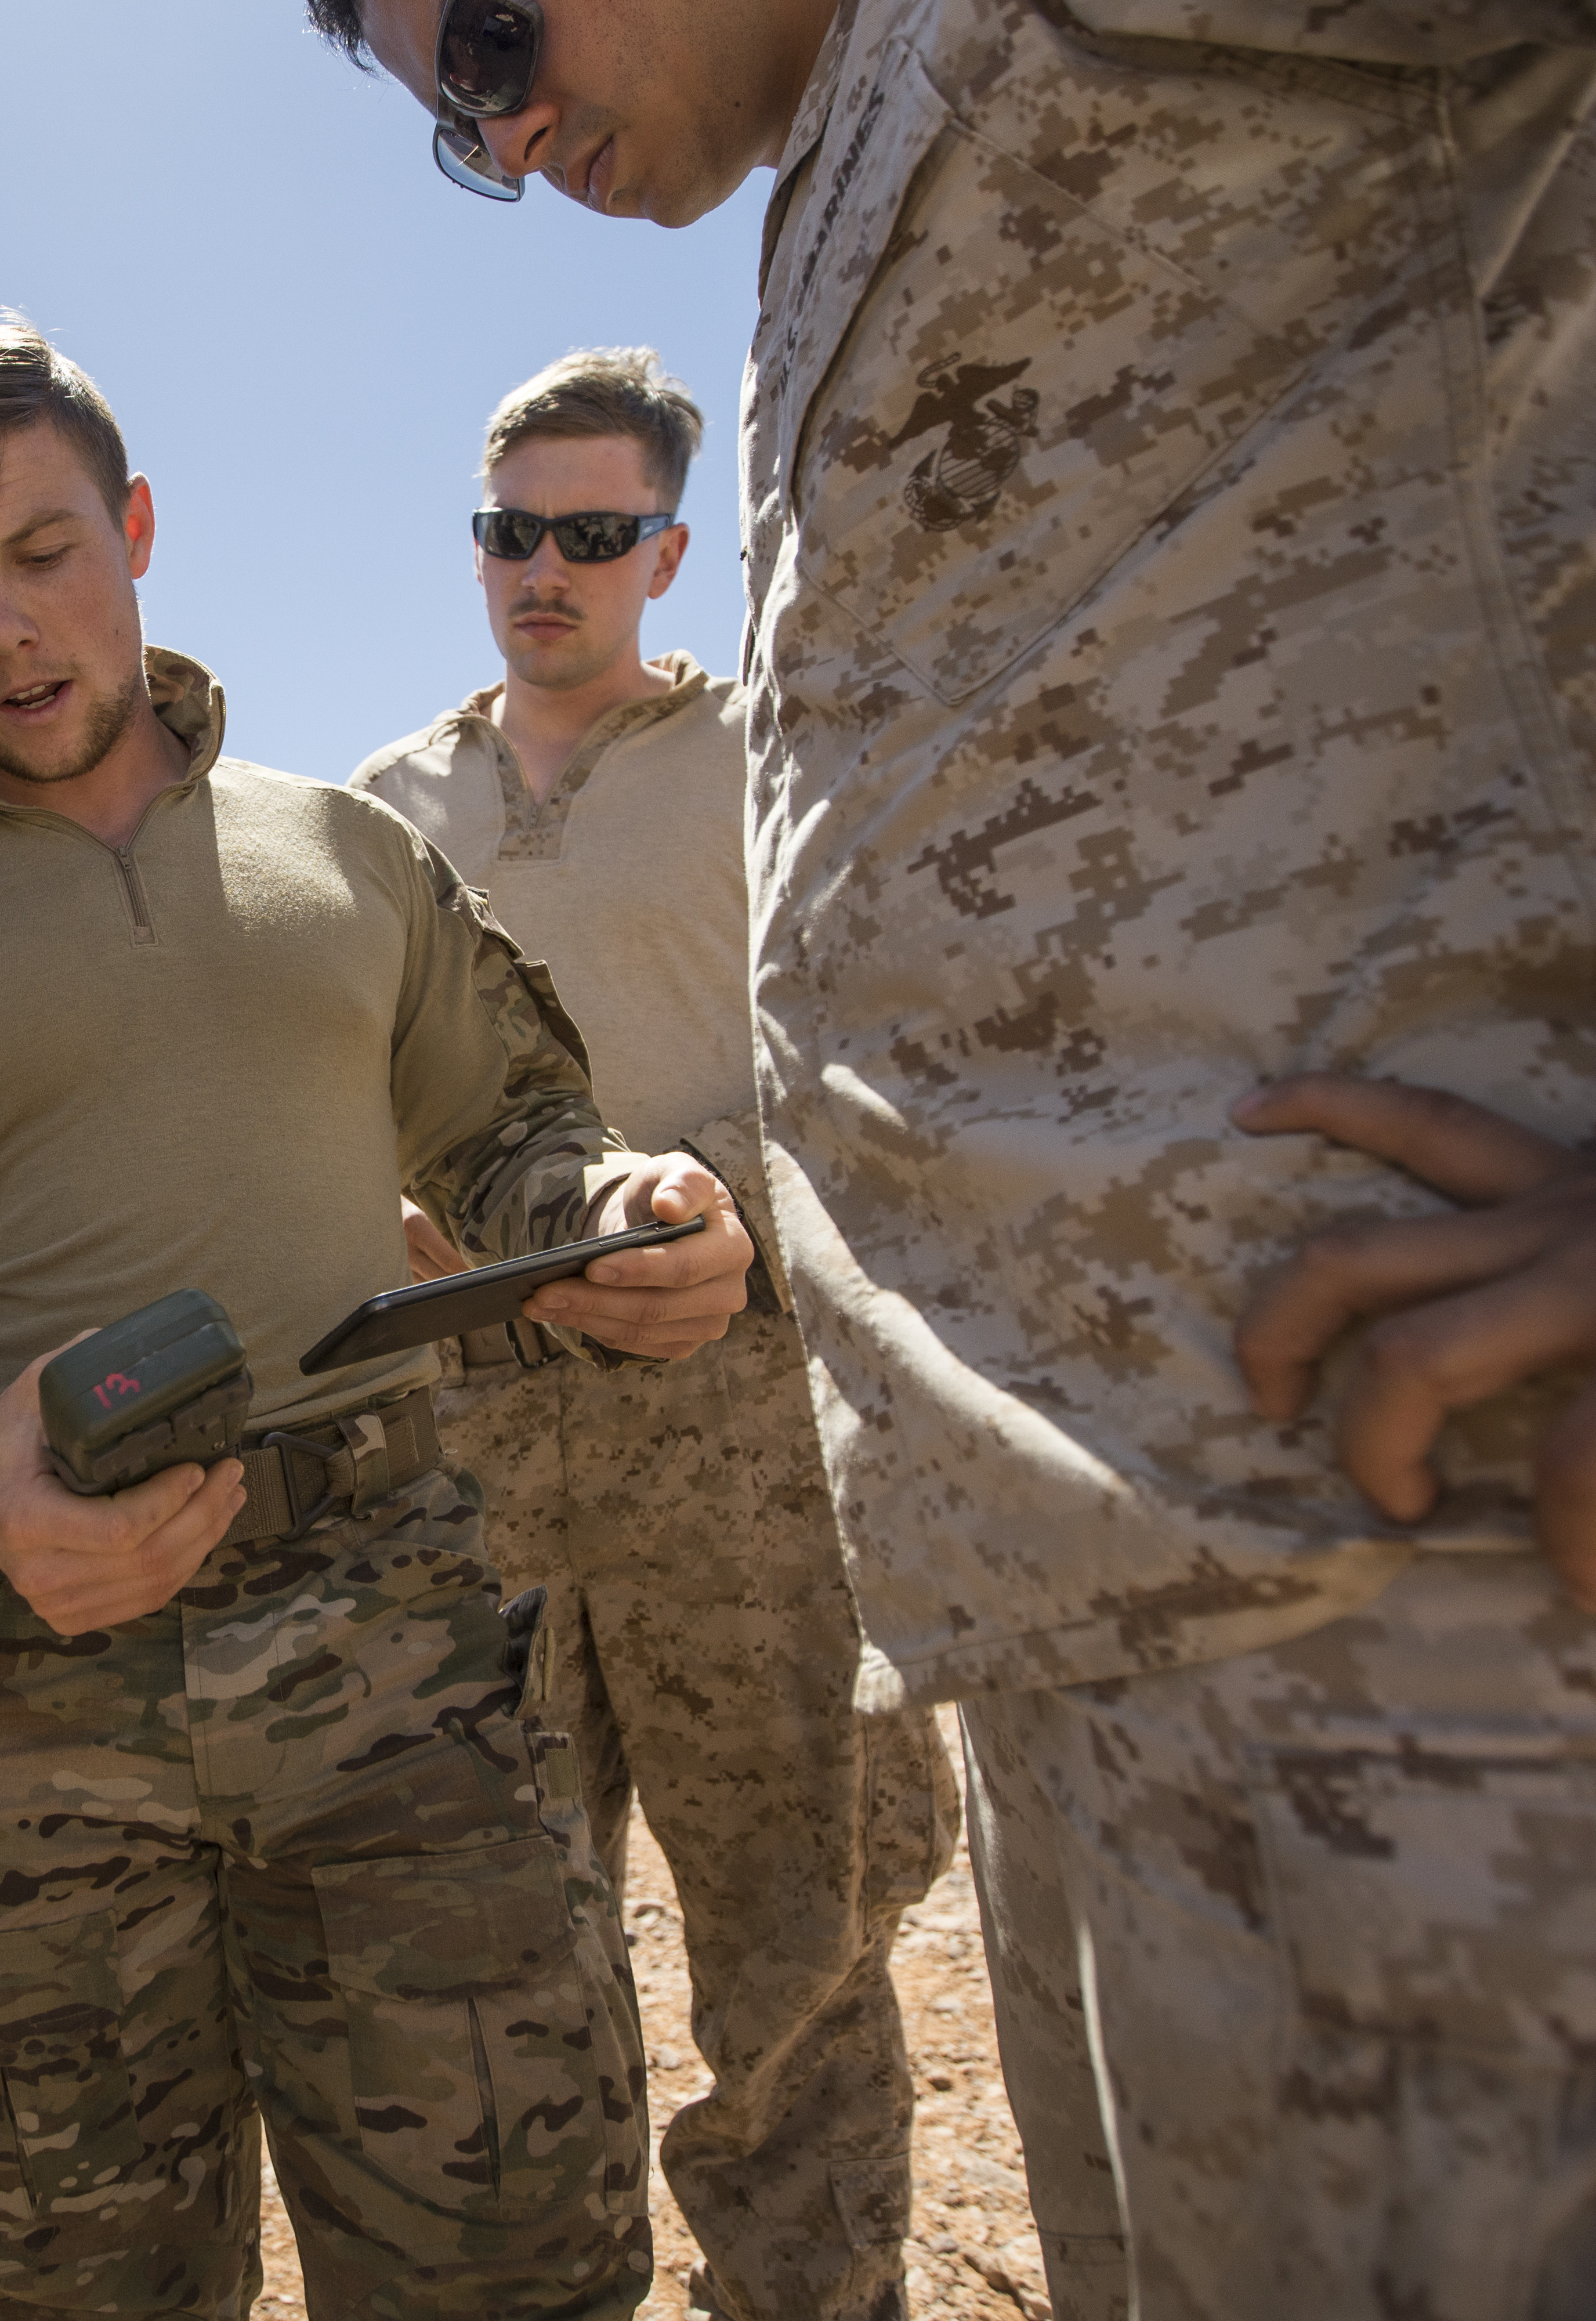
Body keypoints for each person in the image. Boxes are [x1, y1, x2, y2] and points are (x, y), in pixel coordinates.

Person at [308, 1, 1596, 2311]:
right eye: (445, 114)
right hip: (1127, 1639)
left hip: (1493, 1627)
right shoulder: (857, 161)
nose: (504, 118)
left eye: (484, 28)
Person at [0, 319, 766, 2320]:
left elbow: (517, 1126)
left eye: (47, 551)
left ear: (139, 525)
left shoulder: (349, 853)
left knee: (510, 2272)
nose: (6, 628)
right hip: (27, 1725)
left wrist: (620, 1215)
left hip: (403, 1692)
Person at [354, 345, 950, 2321]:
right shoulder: (382, 815)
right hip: (473, 1460)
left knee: (797, 1954)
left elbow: (880, 1058)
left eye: (593, 535)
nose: (547, 570)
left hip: (742, 1439)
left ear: (669, 551)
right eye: (512, 532)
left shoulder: (778, 765)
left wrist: (729, 1214)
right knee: (495, 1969)